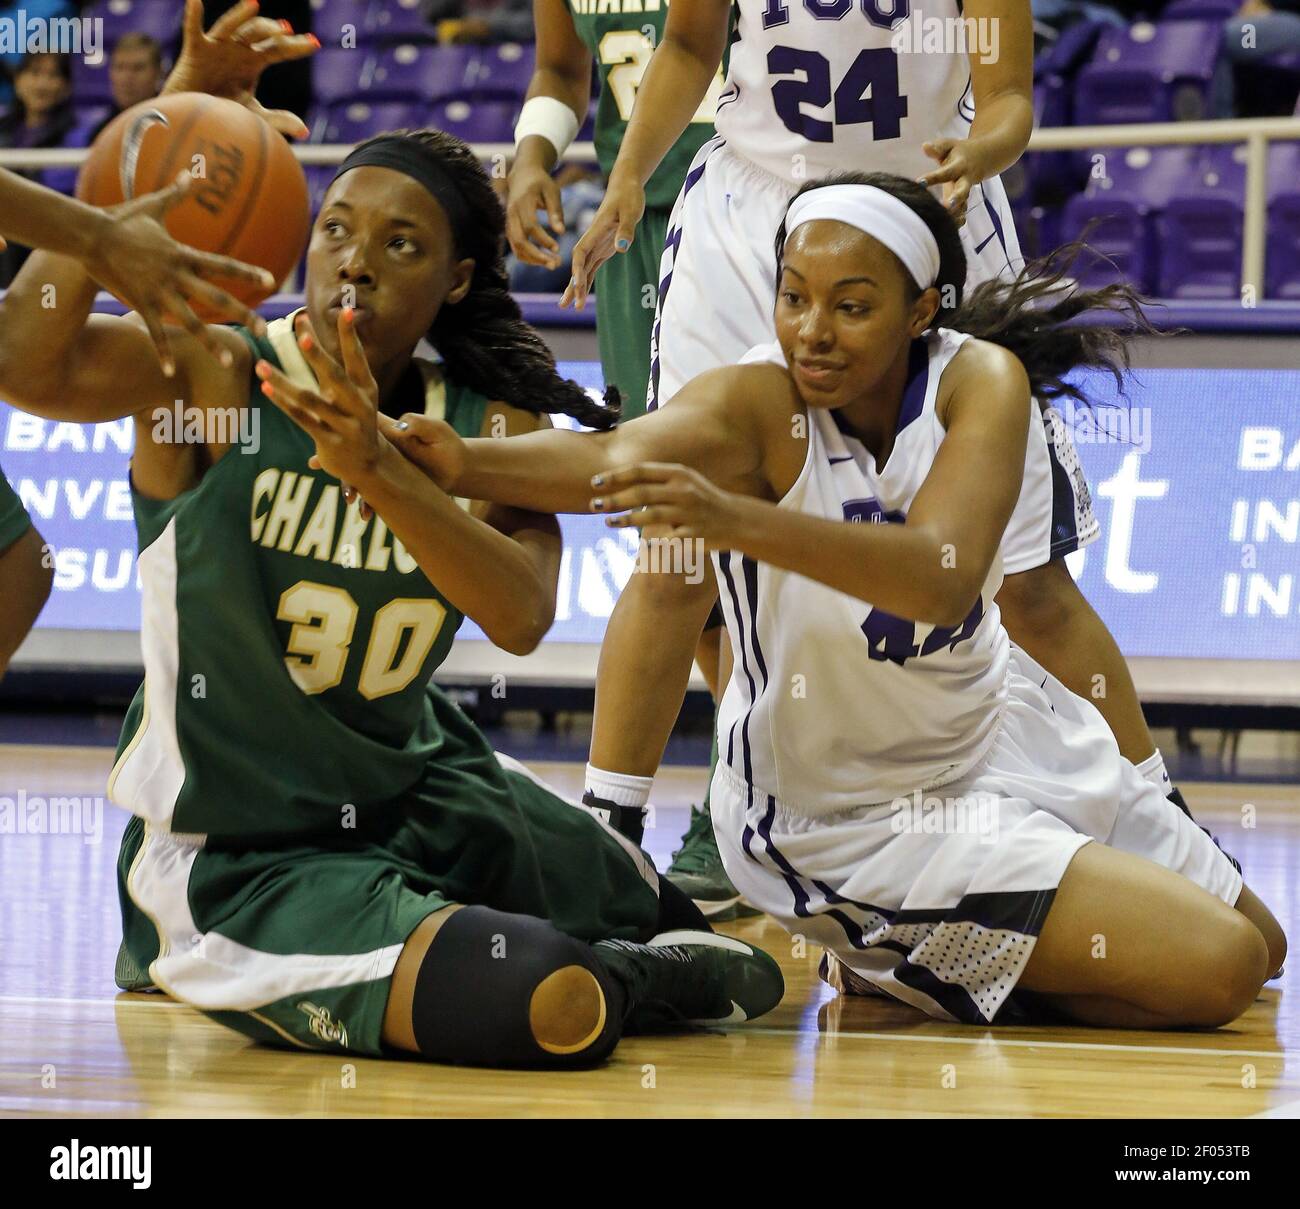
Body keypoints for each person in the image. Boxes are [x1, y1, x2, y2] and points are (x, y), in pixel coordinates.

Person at [370, 172, 1286, 1028]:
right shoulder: (756, 405)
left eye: (851, 307)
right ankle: (899, 954)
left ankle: (918, 956)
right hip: (845, 817)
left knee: (1268, 943)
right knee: (1218, 969)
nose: (811, 329)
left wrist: (738, 519)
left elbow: (940, 575)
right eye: (793, 295)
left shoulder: (981, 382)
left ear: (923, 310)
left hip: (1001, 735)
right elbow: (611, 457)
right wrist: (460, 461)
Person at [0, 113, 783, 1063]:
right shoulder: (220, 371)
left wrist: (384, 473)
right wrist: (119, 187)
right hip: (242, 846)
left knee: (690, 923)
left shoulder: (484, 420)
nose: (356, 262)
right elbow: (21, 362)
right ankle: (622, 972)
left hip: (422, 787)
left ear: (454, 280)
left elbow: (523, 614)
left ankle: (583, 938)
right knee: (553, 997)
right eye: (336, 231)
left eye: (399, 243)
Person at [560, 0, 1212, 918]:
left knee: (1028, 582)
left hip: (921, 217)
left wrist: (980, 153)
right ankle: (612, 840)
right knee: (675, 553)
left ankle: (1158, 808)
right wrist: (629, 175)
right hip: (751, 217)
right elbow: (689, 45)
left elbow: (1010, 98)